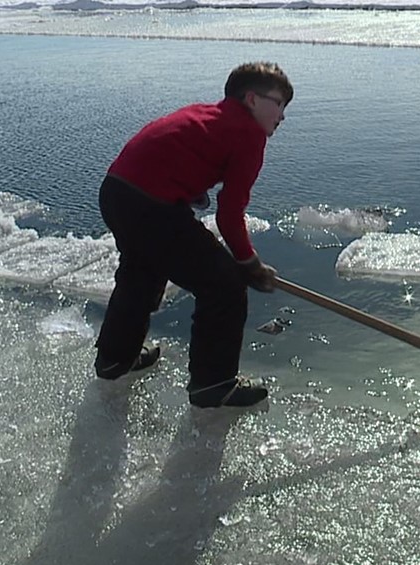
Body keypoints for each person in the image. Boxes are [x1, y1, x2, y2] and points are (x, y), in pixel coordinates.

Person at [94, 61, 290, 408]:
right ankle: (214, 384)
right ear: (251, 99)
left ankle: (114, 359)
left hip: (117, 192)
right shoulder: (248, 132)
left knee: (141, 271)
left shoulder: (209, 114)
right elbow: (230, 213)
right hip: (151, 205)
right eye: (279, 102)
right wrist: (249, 263)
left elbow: (174, 155)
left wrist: (188, 190)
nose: (282, 115)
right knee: (225, 285)